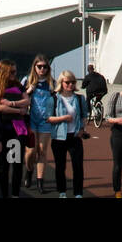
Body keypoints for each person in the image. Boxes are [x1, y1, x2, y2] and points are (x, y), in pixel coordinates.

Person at [0, 59, 30, 197]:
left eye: (15, 72)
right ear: (3, 72)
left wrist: (11, 103)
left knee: (16, 164)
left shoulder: (18, 85)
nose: (13, 74)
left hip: (17, 130)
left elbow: (27, 101)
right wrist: (18, 110)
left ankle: (15, 194)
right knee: (4, 166)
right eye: (11, 72)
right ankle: (5, 194)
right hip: (2, 129)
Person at [48, 70, 88, 198]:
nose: (70, 85)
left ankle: (78, 193)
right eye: (67, 82)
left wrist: (82, 129)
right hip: (59, 137)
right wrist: (63, 118)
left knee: (78, 166)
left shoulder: (79, 98)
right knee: (60, 166)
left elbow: (84, 116)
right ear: (61, 83)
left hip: (74, 136)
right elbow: (49, 118)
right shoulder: (53, 99)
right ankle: (62, 192)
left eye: (73, 82)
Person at [22, 55, 56, 192]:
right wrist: (29, 90)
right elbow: (20, 96)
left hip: (45, 120)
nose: (42, 69)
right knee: (31, 150)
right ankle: (29, 170)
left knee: (42, 151)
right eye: (39, 66)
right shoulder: (27, 80)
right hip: (31, 119)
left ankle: (40, 180)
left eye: (45, 67)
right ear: (34, 67)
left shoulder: (52, 82)